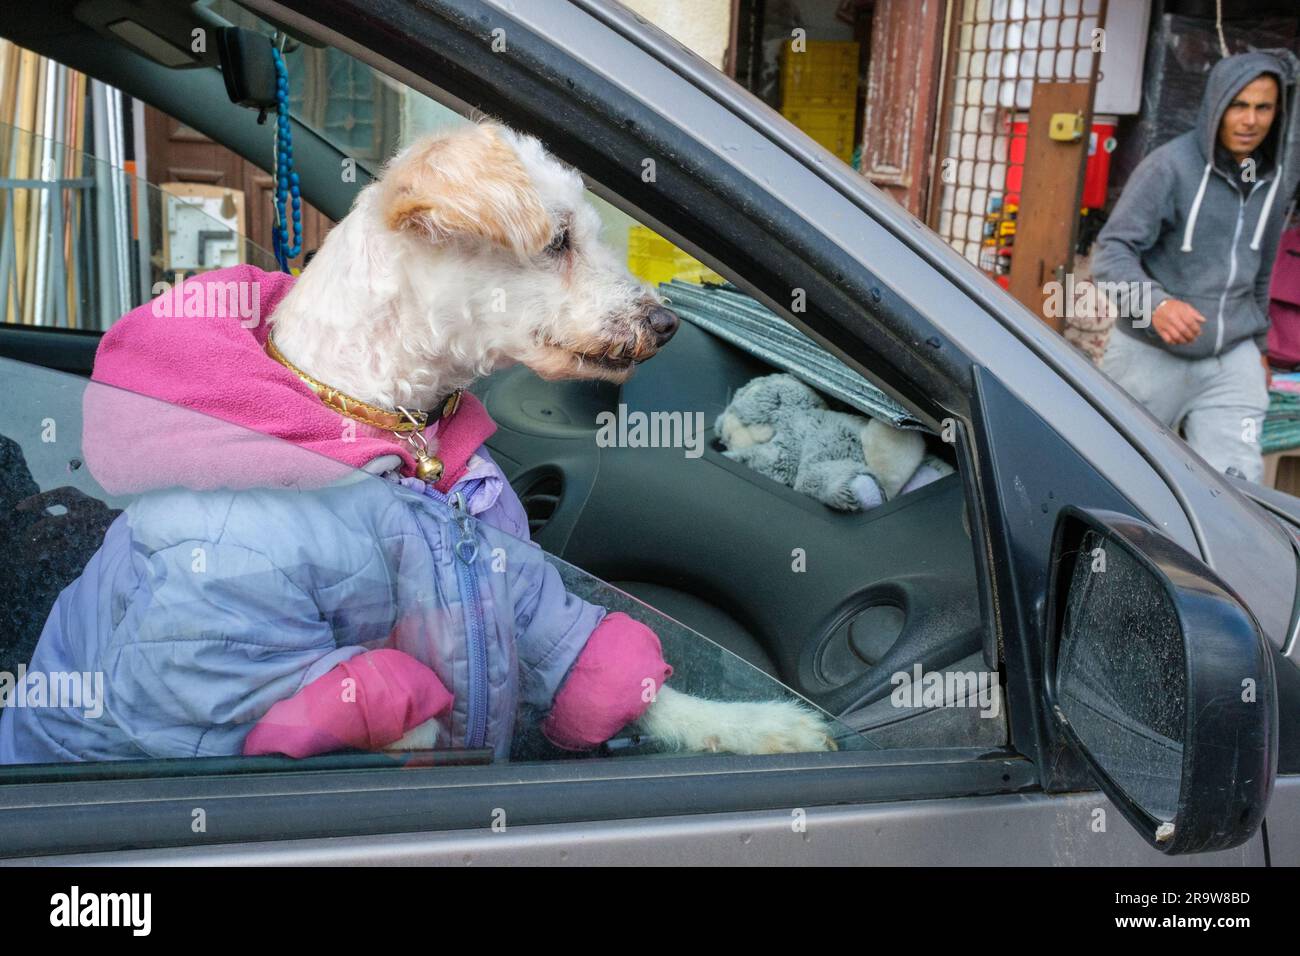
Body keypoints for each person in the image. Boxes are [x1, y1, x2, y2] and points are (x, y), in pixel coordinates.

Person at [1093, 50, 1300, 483]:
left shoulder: (1271, 181)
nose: (1250, 121)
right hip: (1148, 355)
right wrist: (1155, 305)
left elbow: (1260, 271)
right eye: (1238, 105)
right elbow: (1111, 253)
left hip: (1233, 360)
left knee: (1238, 489)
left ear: (1277, 111)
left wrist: (1259, 348)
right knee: (1117, 474)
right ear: (1216, 106)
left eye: (1263, 107)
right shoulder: (1168, 168)